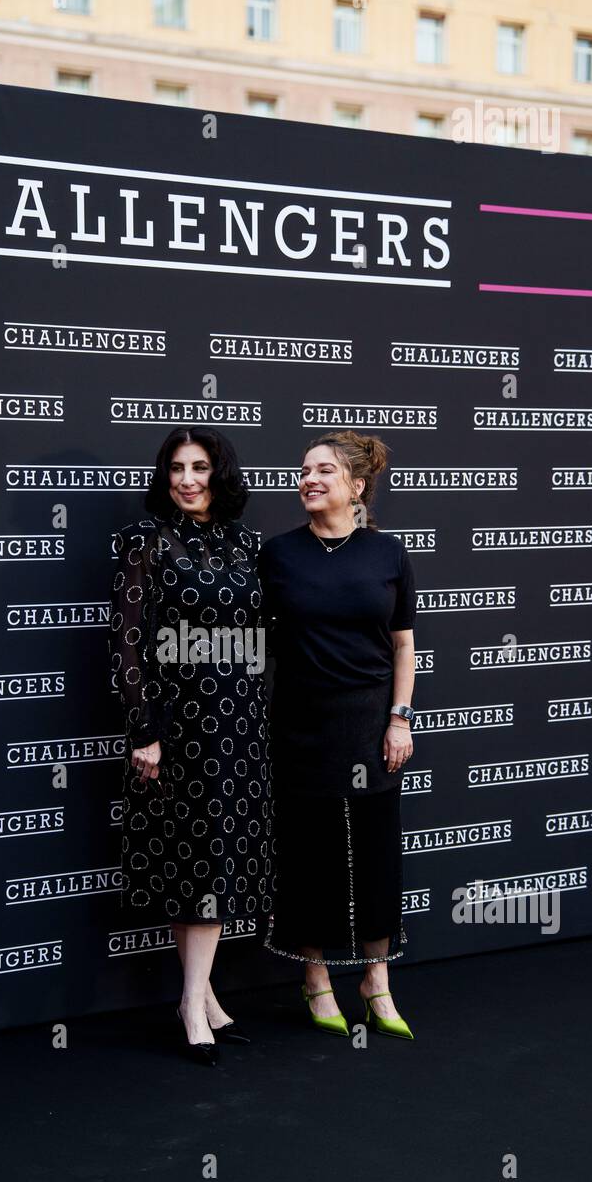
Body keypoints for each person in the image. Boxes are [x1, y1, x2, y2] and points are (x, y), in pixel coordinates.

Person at [109, 427, 274, 1065]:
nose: (186, 479)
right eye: (175, 468)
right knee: (193, 863)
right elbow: (126, 642)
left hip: (240, 726)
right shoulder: (143, 540)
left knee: (210, 860)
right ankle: (190, 1004)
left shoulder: (248, 544)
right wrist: (143, 730)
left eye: (199, 467)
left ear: (219, 473)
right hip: (177, 728)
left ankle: (202, 996)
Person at [257, 430, 417, 1040]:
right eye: (304, 470)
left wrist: (400, 718)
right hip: (300, 722)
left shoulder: (388, 555)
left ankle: (376, 980)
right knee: (309, 851)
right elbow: (248, 639)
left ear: (357, 485)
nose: (309, 479)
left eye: (324, 470)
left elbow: (403, 645)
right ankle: (316, 978)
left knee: (375, 849)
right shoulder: (278, 555)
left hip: (371, 720)